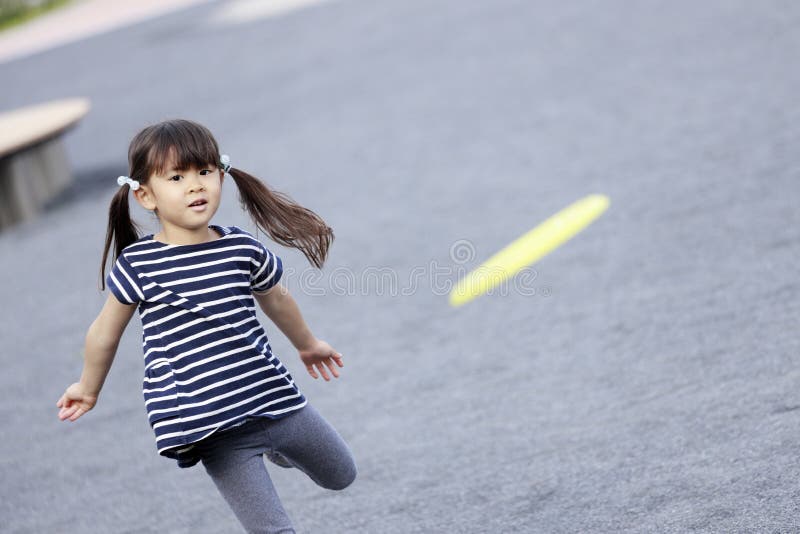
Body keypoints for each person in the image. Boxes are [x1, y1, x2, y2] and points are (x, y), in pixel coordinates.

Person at [55, 119, 357, 533]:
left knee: (342, 474)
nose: (195, 185)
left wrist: (308, 343)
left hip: (273, 397)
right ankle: (259, 450)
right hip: (213, 425)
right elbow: (104, 332)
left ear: (221, 174)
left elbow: (276, 299)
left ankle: (277, 450)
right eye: (176, 177)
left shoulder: (240, 248)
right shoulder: (140, 265)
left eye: (204, 171)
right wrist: (88, 387)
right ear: (145, 195)